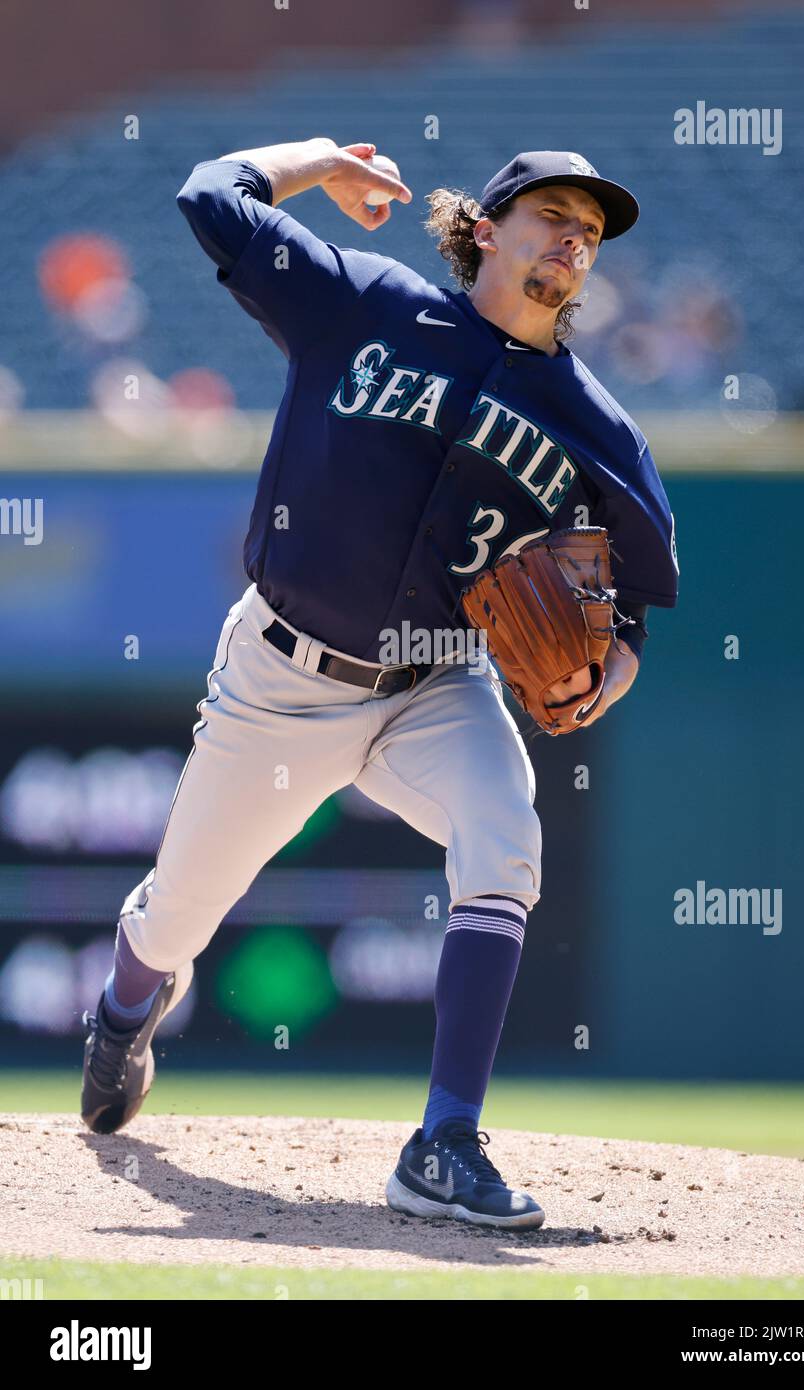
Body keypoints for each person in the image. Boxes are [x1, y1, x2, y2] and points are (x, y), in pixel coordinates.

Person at [81, 140, 678, 1231]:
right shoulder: (363, 303)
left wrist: (615, 661)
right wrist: (319, 161)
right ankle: (125, 1013)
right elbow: (208, 191)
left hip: (435, 686)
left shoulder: (596, 423)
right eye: (551, 213)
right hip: (279, 677)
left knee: (505, 834)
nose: (573, 238)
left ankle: (444, 1140)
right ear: (485, 228)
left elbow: (638, 584)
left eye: (588, 231)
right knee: (176, 919)